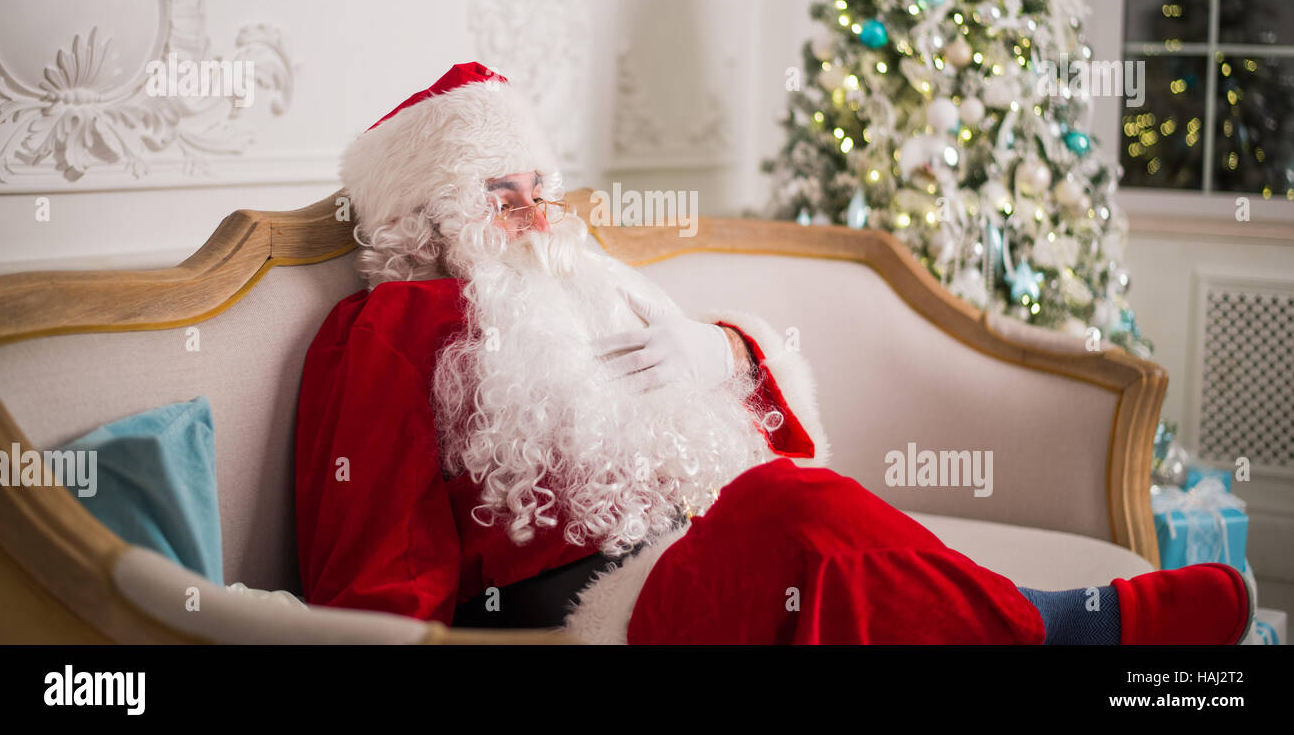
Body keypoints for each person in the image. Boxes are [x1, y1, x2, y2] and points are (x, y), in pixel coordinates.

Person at [294, 62, 1254, 645]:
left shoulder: (583, 278)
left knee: (809, 527)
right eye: (502, 192)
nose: (540, 210)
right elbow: (374, 557)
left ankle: (1051, 623)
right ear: (429, 214)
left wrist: (721, 353)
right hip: (576, 605)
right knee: (799, 510)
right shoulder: (391, 328)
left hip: (699, 544)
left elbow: (766, 412)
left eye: (541, 182)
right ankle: (1070, 625)